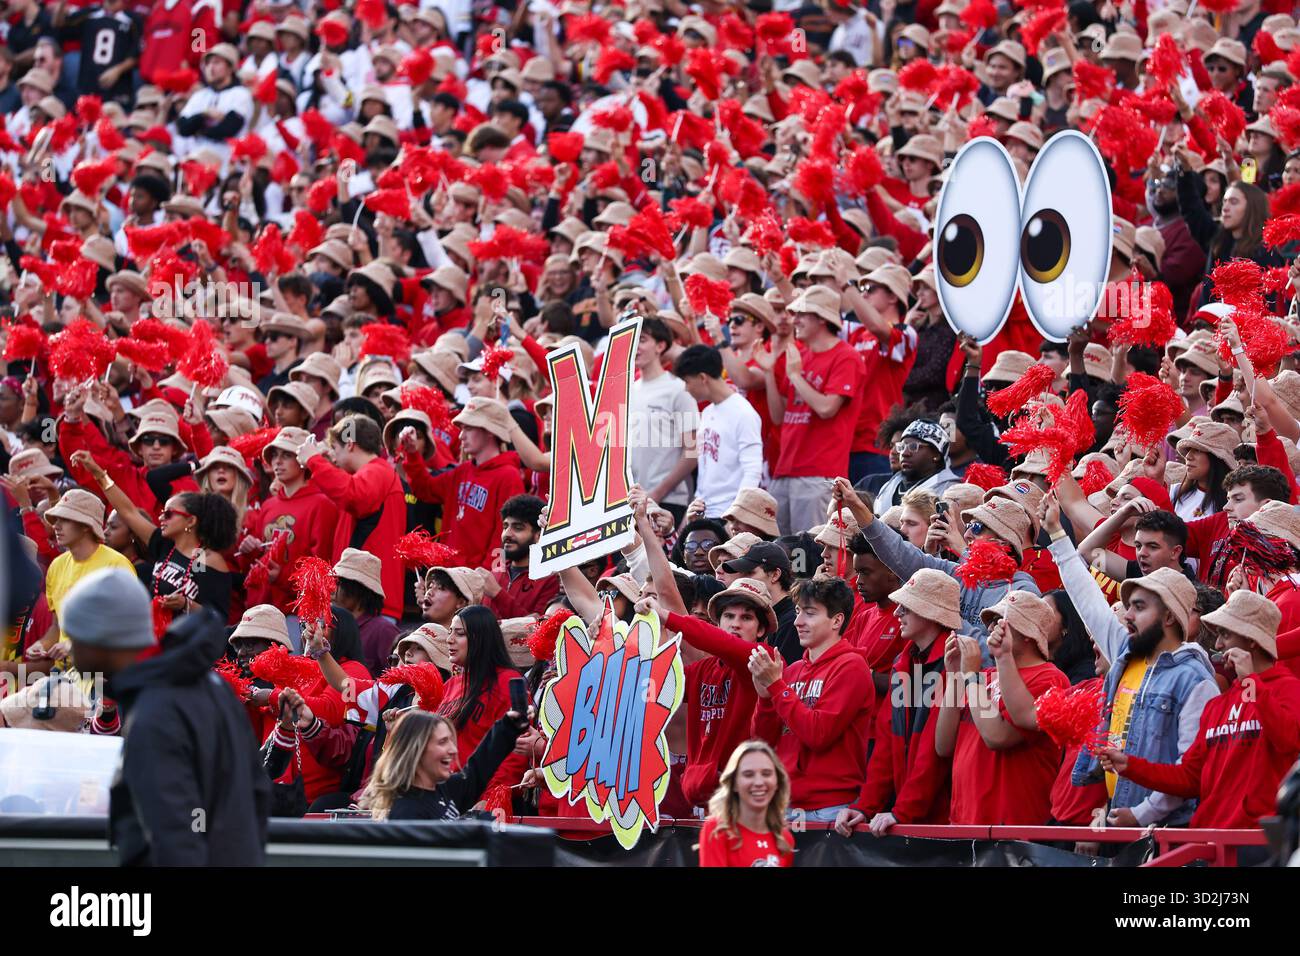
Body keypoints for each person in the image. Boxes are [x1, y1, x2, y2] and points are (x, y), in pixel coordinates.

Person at [63, 569, 269, 864]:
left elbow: (175, 842)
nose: (69, 650)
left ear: (100, 640)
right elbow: (257, 793)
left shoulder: (154, 714)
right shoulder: (210, 686)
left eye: (75, 637)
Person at [1045, 497, 1219, 827]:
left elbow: (1189, 771)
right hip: (1119, 815)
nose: (1127, 615)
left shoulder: (1194, 679)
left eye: (1139, 607)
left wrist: (1140, 816)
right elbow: (1088, 601)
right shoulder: (1127, 656)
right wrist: (1055, 532)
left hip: (1166, 833)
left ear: (1169, 615)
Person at [1100, 590, 1300, 830]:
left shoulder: (1288, 690)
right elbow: (1189, 777)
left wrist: (1252, 681)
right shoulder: (1218, 704)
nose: (1218, 644)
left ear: (1252, 640)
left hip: (1258, 845)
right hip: (1209, 842)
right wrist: (1131, 766)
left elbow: (1289, 740)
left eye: (1225, 634)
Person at [836, 568, 959, 836]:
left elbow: (935, 755)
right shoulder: (905, 663)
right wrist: (865, 807)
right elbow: (885, 745)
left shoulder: (954, 666)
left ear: (930, 613)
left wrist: (902, 812)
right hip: (916, 814)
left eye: (907, 606)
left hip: (946, 821)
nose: (897, 612)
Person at [934, 591, 1070, 825]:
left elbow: (997, 737)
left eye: (1002, 621)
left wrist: (972, 676)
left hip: (1013, 828)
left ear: (1029, 634)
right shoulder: (982, 677)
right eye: (992, 621)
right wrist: (956, 675)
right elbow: (943, 745)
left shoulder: (1050, 679)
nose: (993, 628)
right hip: (965, 821)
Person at [749, 577, 874, 820]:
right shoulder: (792, 670)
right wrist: (765, 698)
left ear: (837, 620)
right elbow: (762, 743)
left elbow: (818, 734)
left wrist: (776, 687)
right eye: (797, 612)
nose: (798, 622)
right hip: (786, 804)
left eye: (810, 613)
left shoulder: (852, 666)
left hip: (830, 808)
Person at [298, 415, 407, 619]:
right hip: (360, 601)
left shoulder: (378, 471)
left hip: (371, 605)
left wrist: (315, 461)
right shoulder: (370, 473)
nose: (334, 454)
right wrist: (326, 464)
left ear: (350, 444)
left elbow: (352, 494)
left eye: (336, 448)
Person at [398, 397, 525, 569]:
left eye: (469, 428)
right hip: (449, 576)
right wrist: (412, 453)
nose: (461, 435)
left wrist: (488, 581)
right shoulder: (463, 471)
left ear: (489, 431)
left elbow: (503, 538)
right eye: (461, 428)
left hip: (476, 583)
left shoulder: (508, 476)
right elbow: (424, 489)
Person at [358, 708, 530, 820]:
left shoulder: (443, 789)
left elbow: (477, 771)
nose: (453, 750)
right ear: (416, 750)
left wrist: (508, 727)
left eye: (451, 741)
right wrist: (471, 828)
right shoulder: (405, 812)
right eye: (442, 742)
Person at [674, 345, 763, 520]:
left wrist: (736, 516)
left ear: (702, 378)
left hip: (728, 515)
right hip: (704, 511)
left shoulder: (743, 413)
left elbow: (752, 470)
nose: (686, 389)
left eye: (687, 381)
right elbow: (707, 471)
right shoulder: (707, 413)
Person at [698, 740, 795, 867]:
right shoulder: (717, 830)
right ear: (734, 784)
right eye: (748, 775)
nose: (759, 782)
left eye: (766, 774)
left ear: (777, 782)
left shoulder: (784, 839)